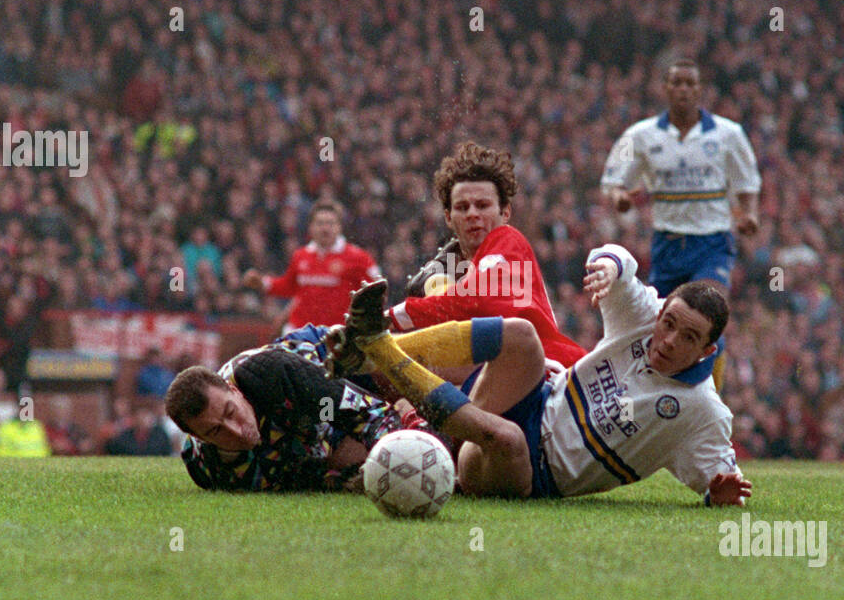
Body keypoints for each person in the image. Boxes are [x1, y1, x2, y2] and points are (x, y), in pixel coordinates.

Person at [327, 244, 754, 506]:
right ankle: (368, 354)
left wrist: (719, 495)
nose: (669, 340)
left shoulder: (702, 411)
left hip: (532, 470)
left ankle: (379, 350)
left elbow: (720, 478)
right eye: (670, 323)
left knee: (508, 440)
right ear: (662, 312)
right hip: (537, 399)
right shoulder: (644, 316)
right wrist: (609, 265)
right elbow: (619, 258)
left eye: (689, 337)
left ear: (708, 350)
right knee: (522, 335)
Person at [344, 141, 586, 376]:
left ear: (505, 212)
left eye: (482, 205)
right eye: (462, 207)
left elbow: (477, 301)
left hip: (552, 379)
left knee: (385, 360)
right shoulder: (452, 268)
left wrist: (390, 318)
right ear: (448, 218)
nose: (472, 214)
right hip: (497, 386)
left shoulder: (509, 241)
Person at [601, 59, 761, 390]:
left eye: (691, 83)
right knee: (660, 322)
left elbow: (747, 184)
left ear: (700, 90)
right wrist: (620, 197)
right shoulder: (642, 135)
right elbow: (614, 178)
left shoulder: (728, 134)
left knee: (710, 312)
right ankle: (649, 390)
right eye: (677, 83)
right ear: (666, 89)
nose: (684, 90)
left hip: (712, 242)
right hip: (668, 243)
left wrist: (750, 214)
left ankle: (710, 396)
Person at [163, 326, 428, 492]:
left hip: (326, 368)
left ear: (234, 391)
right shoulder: (208, 470)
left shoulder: (273, 374)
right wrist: (344, 478)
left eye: (230, 413)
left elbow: (372, 416)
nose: (237, 431)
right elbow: (311, 476)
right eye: (216, 431)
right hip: (317, 432)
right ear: (199, 439)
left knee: (413, 371)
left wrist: (399, 458)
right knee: (346, 459)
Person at [243, 200, 381, 336]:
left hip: (337, 336)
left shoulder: (358, 257)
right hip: (300, 333)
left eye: (330, 223)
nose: (325, 228)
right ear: (311, 227)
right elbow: (289, 286)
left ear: (339, 227)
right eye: (320, 223)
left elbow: (377, 290)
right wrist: (262, 282)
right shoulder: (301, 255)